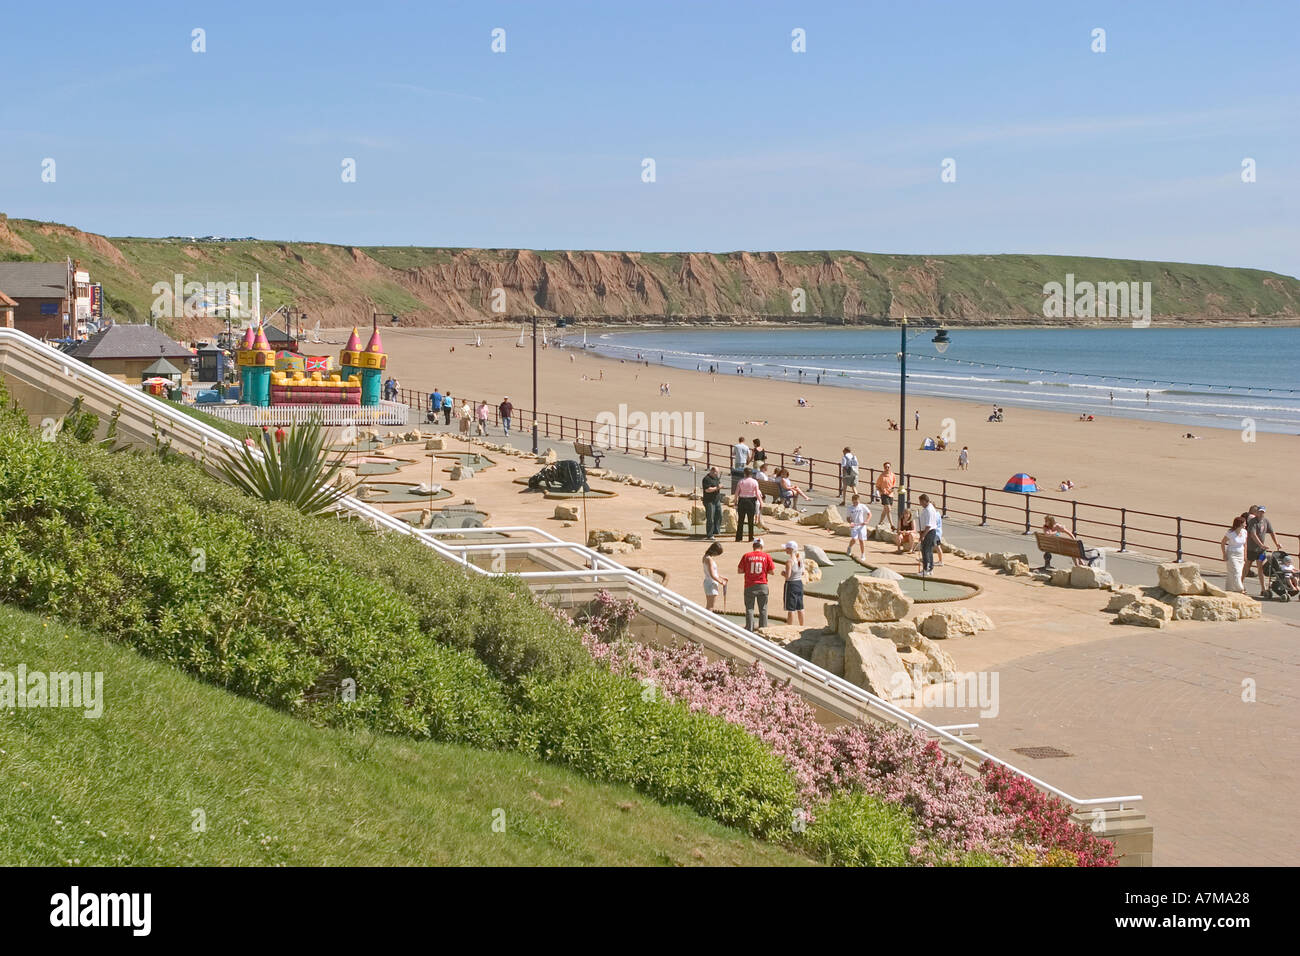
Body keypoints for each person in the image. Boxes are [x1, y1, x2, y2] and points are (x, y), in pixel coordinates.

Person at [738, 538, 775, 631]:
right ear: (762, 546)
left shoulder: (746, 556)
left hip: (749, 585)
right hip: (762, 584)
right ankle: (763, 630)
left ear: (753, 546)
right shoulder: (766, 556)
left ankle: (749, 629)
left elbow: (740, 570)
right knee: (763, 608)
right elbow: (772, 571)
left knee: (749, 608)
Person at [1247, 506, 1281, 597]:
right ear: (1257, 512)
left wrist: (1277, 543)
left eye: (1263, 512)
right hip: (1251, 550)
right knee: (1247, 566)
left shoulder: (1266, 521)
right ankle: (1240, 585)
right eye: (1260, 512)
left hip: (1261, 551)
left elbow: (1272, 532)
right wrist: (1261, 545)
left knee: (1260, 568)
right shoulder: (1253, 522)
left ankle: (1263, 589)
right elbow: (1253, 534)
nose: (1261, 513)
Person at [1221, 516, 1248, 593]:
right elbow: (1223, 543)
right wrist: (1224, 554)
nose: (1245, 524)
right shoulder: (1230, 533)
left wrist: (1245, 555)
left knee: (1233, 572)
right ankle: (1240, 588)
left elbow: (1245, 544)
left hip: (1241, 554)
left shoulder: (1244, 532)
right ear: (1240, 524)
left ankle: (1229, 589)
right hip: (1232, 554)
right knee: (1236, 571)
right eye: (1244, 523)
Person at [783, 541, 806, 626]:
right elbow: (803, 573)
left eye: (786, 548)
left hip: (791, 584)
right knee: (800, 607)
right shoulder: (800, 560)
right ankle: (802, 626)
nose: (785, 549)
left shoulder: (789, 561)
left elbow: (788, 576)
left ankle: (790, 626)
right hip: (799, 583)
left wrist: (783, 573)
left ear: (790, 549)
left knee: (791, 608)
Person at [734, 467, 761, 542]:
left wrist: (735, 501)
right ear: (751, 474)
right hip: (751, 500)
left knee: (741, 520)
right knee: (750, 520)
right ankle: (750, 537)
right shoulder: (755, 482)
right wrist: (761, 502)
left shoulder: (741, 481)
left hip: (742, 500)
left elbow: (737, 493)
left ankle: (738, 538)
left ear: (744, 474)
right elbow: (757, 493)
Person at [918, 493, 941, 575]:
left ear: (924, 501)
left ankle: (926, 569)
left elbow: (928, 525)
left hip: (929, 532)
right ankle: (930, 568)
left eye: (921, 502)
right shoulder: (928, 508)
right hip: (928, 531)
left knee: (926, 550)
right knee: (928, 550)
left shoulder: (929, 510)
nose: (920, 504)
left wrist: (922, 536)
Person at [703, 542, 727, 611]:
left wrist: (721, 577)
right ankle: (707, 621)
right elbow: (712, 574)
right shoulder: (709, 559)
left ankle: (707, 621)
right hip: (711, 583)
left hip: (708, 582)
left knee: (709, 604)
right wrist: (721, 582)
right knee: (710, 606)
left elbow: (713, 572)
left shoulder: (705, 556)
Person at [846, 493, 871, 559]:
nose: (856, 503)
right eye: (854, 502)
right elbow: (848, 518)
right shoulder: (850, 508)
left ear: (859, 501)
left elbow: (869, 514)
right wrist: (851, 522)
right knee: (854, 539)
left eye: (857, 501)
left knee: (861, 540)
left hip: (862, 526)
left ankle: (863, 555)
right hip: (854, 525)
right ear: (852, 501)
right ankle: (849, 547)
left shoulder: (862, 506)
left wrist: (867, 521)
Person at [701, 465, 722, 539]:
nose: (717, 474)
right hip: (709, 501)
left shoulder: (716, 478)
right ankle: (710, 534)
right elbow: (707, 490)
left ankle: (716, 530)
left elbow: (718, 485)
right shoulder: (706, 479)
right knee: (710, 518)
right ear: (712, 471)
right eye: (716, 472)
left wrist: (719, 486)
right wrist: (717, 488)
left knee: (719, 515)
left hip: (716, 500)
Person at [875, 463, 897, 529]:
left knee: (885, 510)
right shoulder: (881, 476)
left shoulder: (892, 475)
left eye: (888, 467)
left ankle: (880, 522)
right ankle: (892, 525)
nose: (887, 468)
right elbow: (877, 486)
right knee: (888, 509)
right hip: (884, 494)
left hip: (890, 494)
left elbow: (894, 484)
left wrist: (892, 489)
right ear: (884, 468)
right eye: (885, 467)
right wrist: (881, 492)